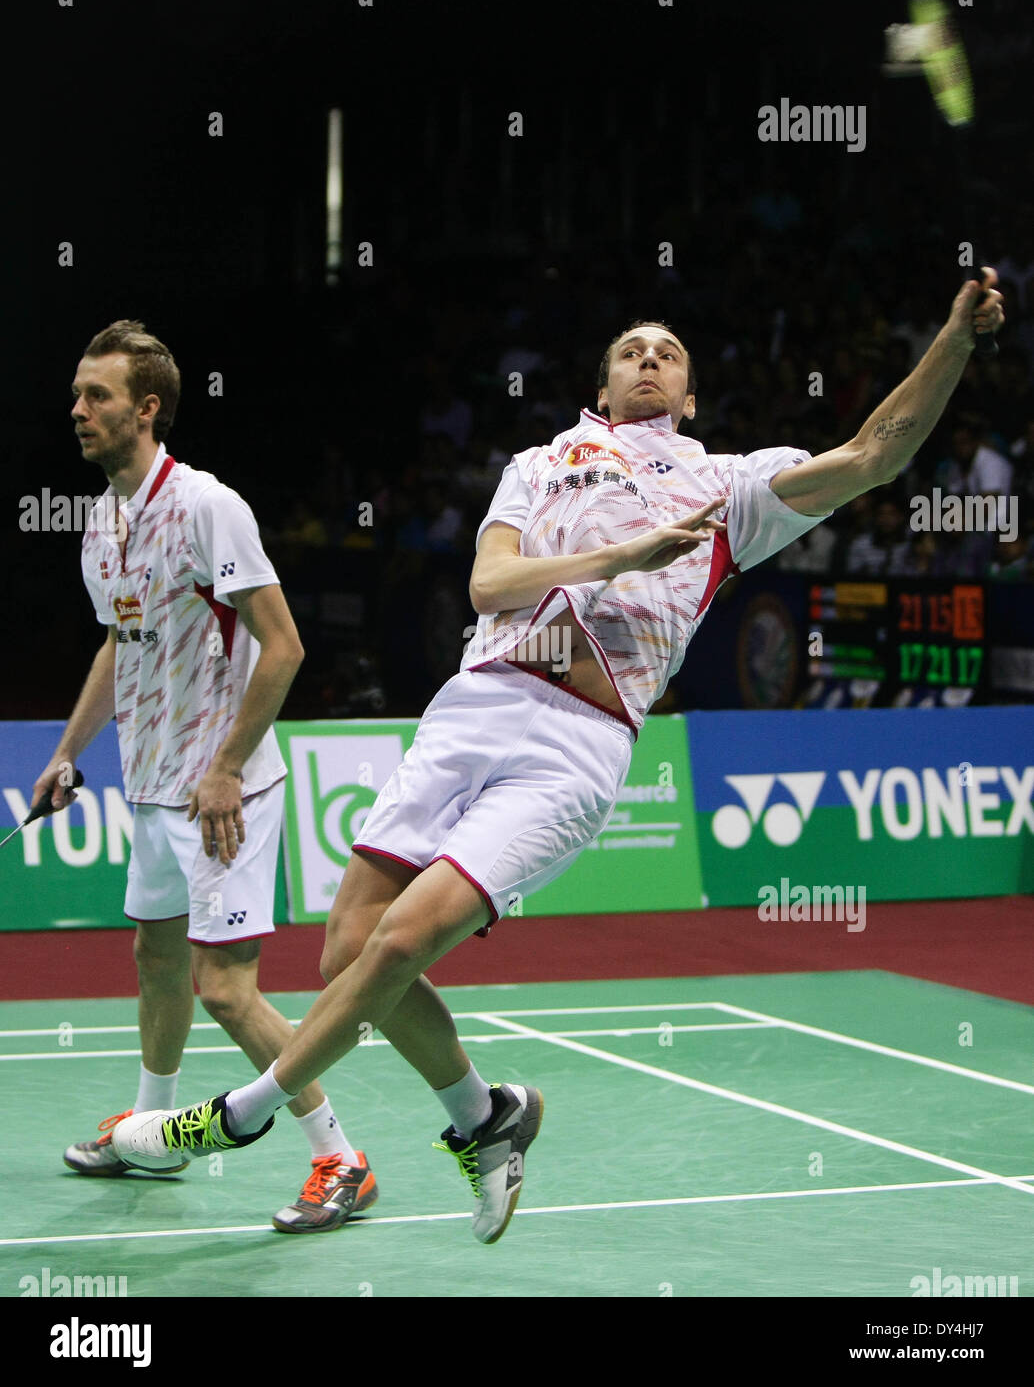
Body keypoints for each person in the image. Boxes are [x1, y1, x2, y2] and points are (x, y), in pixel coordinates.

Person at [111, 272, 1005, 1245]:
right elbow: (490, 580)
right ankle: (482, 1116)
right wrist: (615, 560)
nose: (649, 360)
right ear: (603, 385)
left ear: (691, 396)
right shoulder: (539, 464)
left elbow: (875, 452)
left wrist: (953, 340)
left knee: (401, 943)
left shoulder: (730, 487)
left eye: (668, 352)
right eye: (631, 350)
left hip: (577, 740)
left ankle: (239, 1115)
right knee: (344, 945)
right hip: (471, 707)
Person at [38, 320, 374, 1234]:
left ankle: (341, 1159)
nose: (78, 411)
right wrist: (68, 751)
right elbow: (121, 642)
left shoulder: (207, 507)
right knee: (155, 964)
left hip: (224, 794)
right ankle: (151, 1130)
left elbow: (284, 644)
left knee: (224, 987)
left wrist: (225, 765)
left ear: (146, 410)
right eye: (76, 394)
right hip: (149, 787)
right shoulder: (100, 523)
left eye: (96, 397)